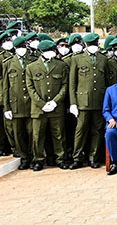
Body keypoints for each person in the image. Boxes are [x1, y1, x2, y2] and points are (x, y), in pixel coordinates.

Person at [68, 32, 113, 169]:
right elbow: (72, 83)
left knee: (97, 130)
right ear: (85, 45)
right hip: (82, 101)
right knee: (80, 130)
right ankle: (77, 157)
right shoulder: (77, 59)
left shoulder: (104, 59)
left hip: (99, 100)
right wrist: (73, 103)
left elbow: (107, 81)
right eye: (90, 44)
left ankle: (93, 157)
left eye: (94, 44)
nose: (92, 47)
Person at [25, 40, 70, 170]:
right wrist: (41, 104)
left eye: (52, 50)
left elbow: (64, 85)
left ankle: (60, 159)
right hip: (39, 109)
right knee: (38, 135)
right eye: (47, 51)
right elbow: (30, 88)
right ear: (40, 52)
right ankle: (38, 160)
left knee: (59, 134)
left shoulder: (61, 65)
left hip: (57, 107)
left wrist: (55, 101)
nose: (51, 53)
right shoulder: (31, 67)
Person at [3, 36, 35, 169]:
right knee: (18, 133)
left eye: (23, 47)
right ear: (15, 49)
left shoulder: (33, 60)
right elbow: (6, 87)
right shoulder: (8, 63)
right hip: (15, 104)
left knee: (32, 132)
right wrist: (7, 107)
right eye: (19, 47)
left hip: (31, 103)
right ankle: (24, 158)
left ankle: (34, 158)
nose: (22, 49)